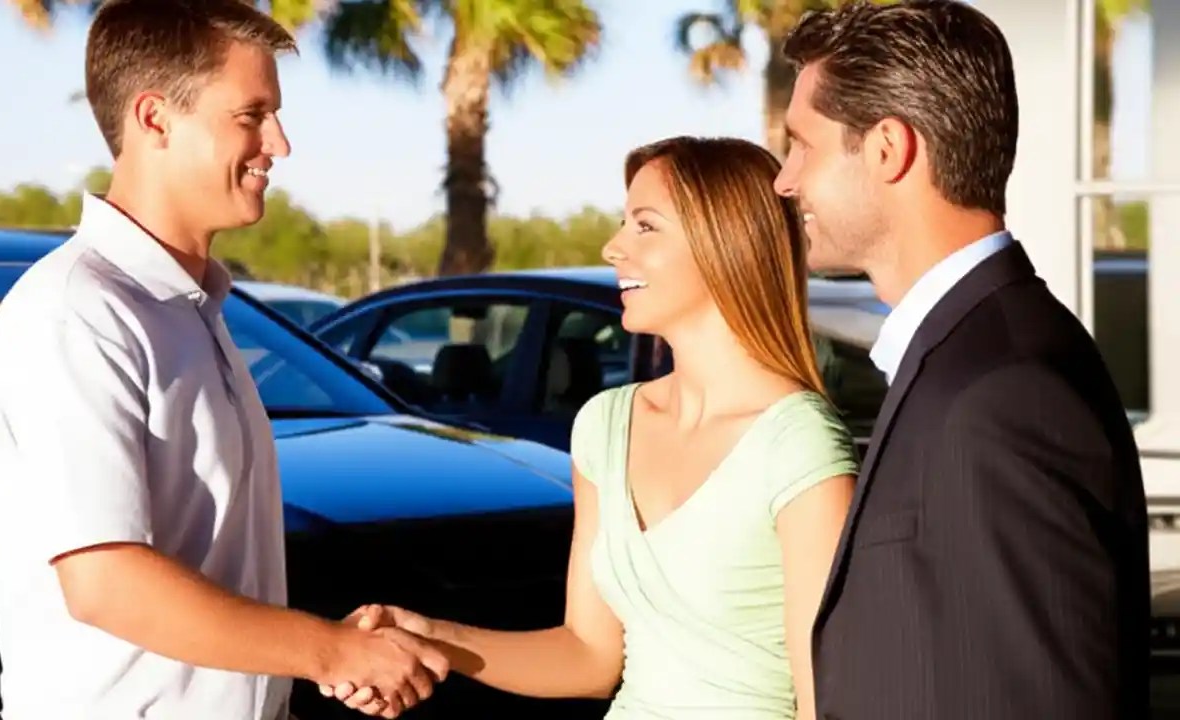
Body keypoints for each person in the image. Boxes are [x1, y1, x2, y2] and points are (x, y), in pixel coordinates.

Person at [0, 1, 447, 718]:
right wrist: (331, 652)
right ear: (155, 119)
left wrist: (328, 655)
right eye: (252, 115)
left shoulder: (193, 309)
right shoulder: (75, 312)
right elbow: (105, 581)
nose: (279, 144)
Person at [326, 135, 861, 719]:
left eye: (645, 226)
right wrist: (432, 638)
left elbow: (826, 700)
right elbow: (588, 656)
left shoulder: (798, 444)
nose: (613, 248)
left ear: (726, 244)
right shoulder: (608, 425)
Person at [773, 1, 1151, 718]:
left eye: (802, 146)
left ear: (888, 148)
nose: (784, 180)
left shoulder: (1002, 392)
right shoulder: (970, 356)